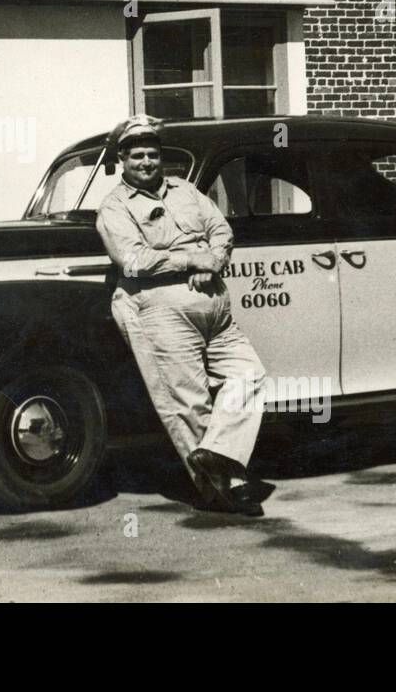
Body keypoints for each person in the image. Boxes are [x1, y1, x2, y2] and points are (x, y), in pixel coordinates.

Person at [95, 114, 268, 517]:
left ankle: (215, 455)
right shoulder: (114, 207)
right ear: (123, 158)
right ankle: (225, 490)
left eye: (152, 154)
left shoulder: (187, 191)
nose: (146, 162)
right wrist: (194, 258)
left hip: (214, 306)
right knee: (188, 403)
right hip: (158, 310)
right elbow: (133, 260)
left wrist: (213, 262)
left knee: (250, 374)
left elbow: (221, 231)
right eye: (137, 155)